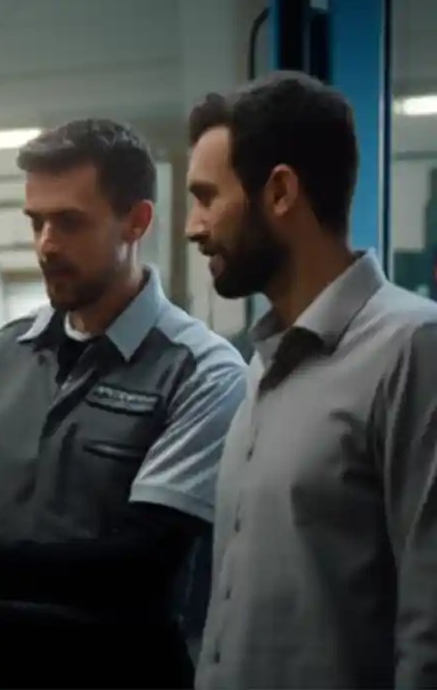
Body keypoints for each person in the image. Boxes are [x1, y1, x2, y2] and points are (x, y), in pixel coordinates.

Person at [0, 118, 247, 688]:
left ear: (137, 221)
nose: (45, 245)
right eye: (36, 222)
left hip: (127, 667)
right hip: (2, 661)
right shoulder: (6, 353)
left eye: (69, 222)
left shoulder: (201, 369)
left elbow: (141, 563)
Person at [185, 71, 437, 688]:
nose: (194, 226)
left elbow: (430, 625)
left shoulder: (412, 349)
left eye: (207, 196)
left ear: (279, 192)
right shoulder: (262, 363)